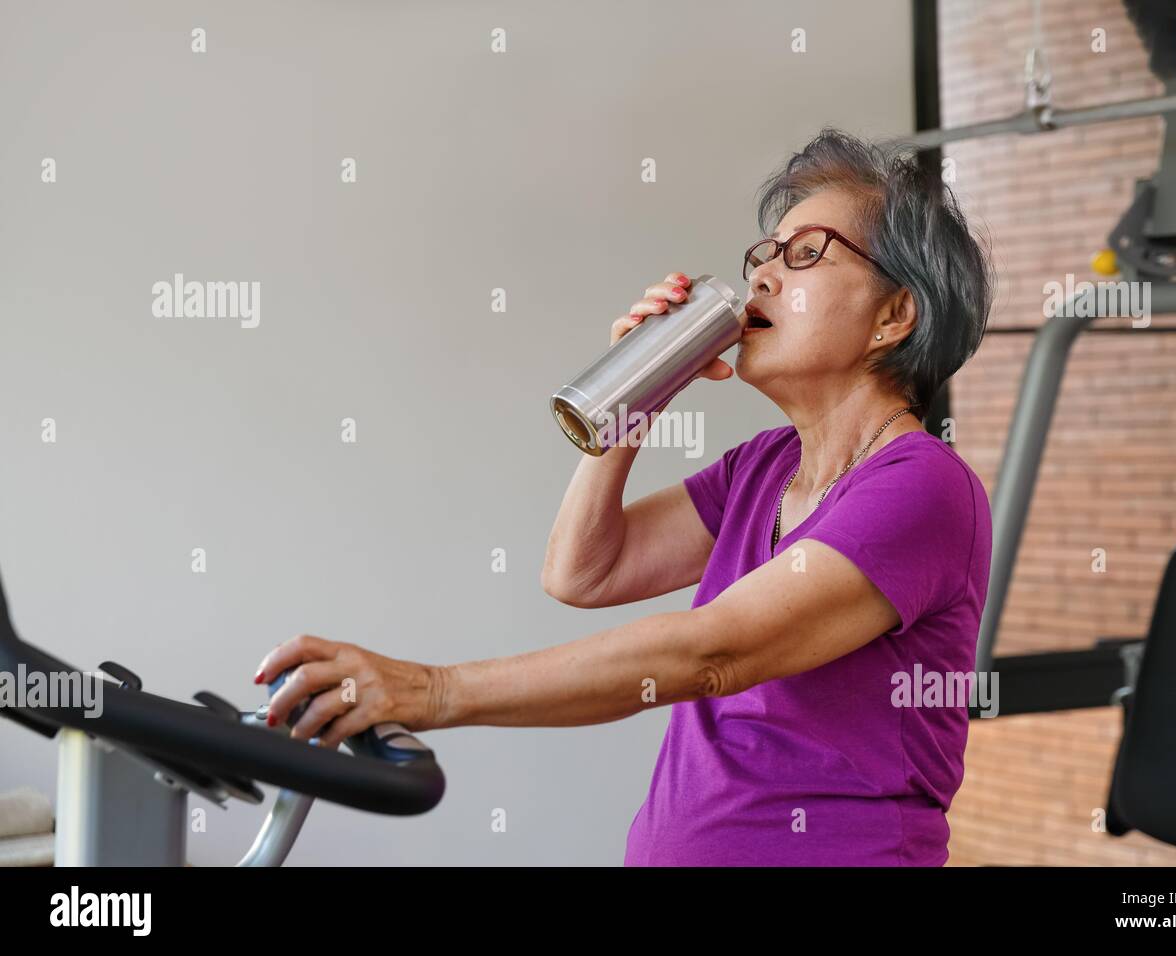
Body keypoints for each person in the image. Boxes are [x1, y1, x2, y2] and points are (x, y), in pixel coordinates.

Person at [254, 127, 995, 866]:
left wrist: (434, 693)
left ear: (895, 316)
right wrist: (635, 391)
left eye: (805, 254)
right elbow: (583, 572)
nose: (763, 276)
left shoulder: (922, 486)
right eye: (764, 254)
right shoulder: (764, 468)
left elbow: (715, 652)